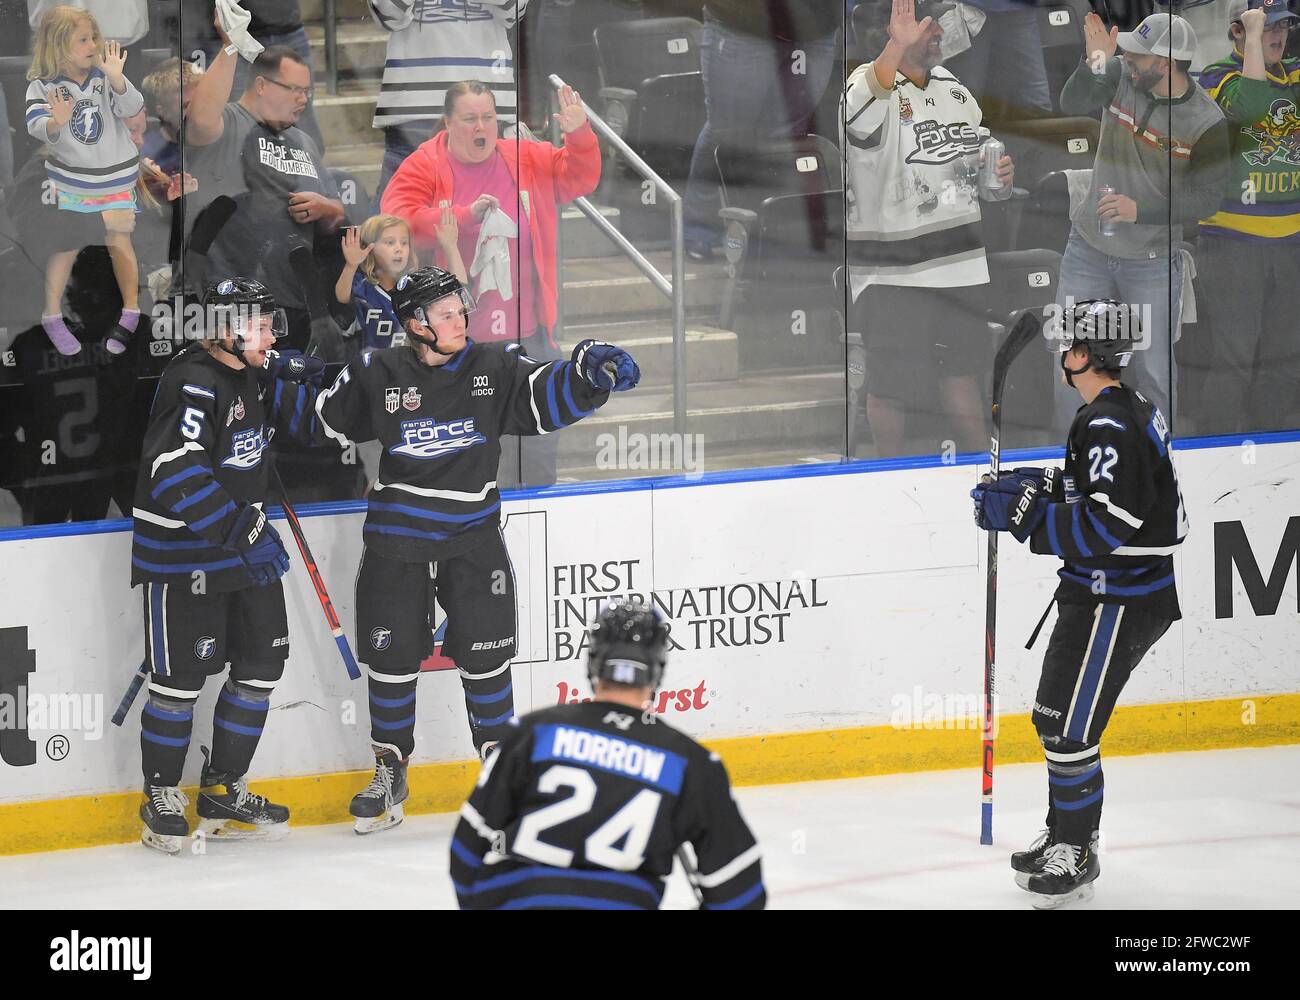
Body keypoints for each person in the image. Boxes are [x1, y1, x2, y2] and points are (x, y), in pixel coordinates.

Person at [311, 265, 640, 834]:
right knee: (391, 664)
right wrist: (295, 382)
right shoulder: (379, 370)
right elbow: (325, 422)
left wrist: (587, 377)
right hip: (396, 543)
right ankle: (391, 769)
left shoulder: (495, 365)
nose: (460, 319)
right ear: (414, 324)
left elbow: (542, 401)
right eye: (445, 314)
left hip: (473, 542)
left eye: (460, 309)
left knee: (486, 660)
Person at [971, 299, 1189, 909]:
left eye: (1070, 344)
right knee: (1055, 719)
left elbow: (1105, 525)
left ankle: (1078, 848)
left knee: (1071, 729)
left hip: (1118, 599)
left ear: (1084, 356)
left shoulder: (1108, 423)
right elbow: (1099, 489)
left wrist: (1025, 521)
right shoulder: (1116, 412)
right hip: (1099, 595)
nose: (1061, 352)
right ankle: (1063, 832)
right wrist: (1037, 485)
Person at [129, 277, 326, 854]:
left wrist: (312, 378)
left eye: (272, 326)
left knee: (262, 666)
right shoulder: (192, 381)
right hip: (185, 557)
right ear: (224, 331)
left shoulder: (250, 372)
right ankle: (160, 794)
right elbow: (173, 470)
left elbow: (305, 427)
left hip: (242, 549)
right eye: (261, 327)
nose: (272, 337)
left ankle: (222, 789)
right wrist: (243, 528)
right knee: (179, 682)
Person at [449, 598, 767, 910]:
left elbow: (466, 848)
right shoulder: (689, 764)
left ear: (594, 662)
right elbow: (740, 893)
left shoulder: (534, 733)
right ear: (657, 670)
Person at [382, 80, 601, 486]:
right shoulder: (425, 164)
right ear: (447, 123)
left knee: (537, 453)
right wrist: (462, 217)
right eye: (469, 119)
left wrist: (579, 134)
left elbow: (578, 178)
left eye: (488, 117)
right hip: (457, 349)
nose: (481, 127)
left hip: (528, 337)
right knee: (467, 462)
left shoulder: (524, 158)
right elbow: (396, 221)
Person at [842, 0, 1015, 457]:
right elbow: (862, 114)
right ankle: (889, 480)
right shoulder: (863, 86)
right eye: (927, 21)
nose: (939, 29)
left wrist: (998, 179)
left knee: (962, 375)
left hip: (960, 267)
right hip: (895, 275)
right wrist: (894, 50)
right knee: (889, 387)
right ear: (892, 30)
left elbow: (981, 166)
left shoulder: (953, 87)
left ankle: (980, 474)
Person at [1052, 10, 1229, 434]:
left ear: (1165, 64)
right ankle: (1070, 451)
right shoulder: (1118, 76)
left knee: (1155, 370)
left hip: (1152, 258)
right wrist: (1095, 59)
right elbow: (1071, 103)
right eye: (1125, 53)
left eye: (1138, 55)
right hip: (1088, 246)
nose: (1127, 59)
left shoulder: (1207, 123)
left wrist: (1140, 211)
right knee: (1073, 358)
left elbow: (1208, 199)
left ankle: (1157, 458)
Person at [183, 28, 347, 351]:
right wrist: (230, 46)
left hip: (296, 309)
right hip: (235, 310)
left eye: (307, 91)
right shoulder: (231, 123)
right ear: (261, 85)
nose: (303, 99)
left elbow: (337, 216)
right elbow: (200, 121)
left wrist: (325, 208)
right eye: (294, 89)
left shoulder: (304, 141)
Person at [1197, 0, 1300, 432]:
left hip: (1291, 243)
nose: (1277, 36)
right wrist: (1253, 40)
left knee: (1287, 357)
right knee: (1234, 360)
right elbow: (1252, 107)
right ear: (1238, 32)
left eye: (1283, 28)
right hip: (1232, 243)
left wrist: (1258, 37)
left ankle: (1272, 453)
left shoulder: (1294, 73)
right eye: (1265, 29)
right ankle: (1214, 451)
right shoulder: (1215, 76)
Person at [25, 5, 145, 357]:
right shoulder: (42, 86)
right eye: (83, 40)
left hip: (116, 178)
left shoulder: (105, 76)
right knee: (66, 247)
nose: (93, 45)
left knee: (120, 242)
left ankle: (131, 311)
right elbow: (37, 128)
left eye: (94, 37)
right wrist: (56, 122)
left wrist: (119, 80)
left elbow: (132, 108)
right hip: (74, 182)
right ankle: (51, 315)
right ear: (58, 45)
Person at [682, 0, 842, 261]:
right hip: (744, 24)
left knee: (786, 139)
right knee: (727, 130)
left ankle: (764, 237)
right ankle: (700, 228)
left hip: (815, 30)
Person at [367, 0, 532, 207]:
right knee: (391, 226)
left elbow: (513, 9)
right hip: (414, 114)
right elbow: (388, 14)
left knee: (488, 229)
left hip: (484, 112)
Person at [334, 211, 464, 353]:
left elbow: (458, 295)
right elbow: (341, 302)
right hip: (374, 371)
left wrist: (451, 247)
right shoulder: (363, 289)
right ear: (369, 249)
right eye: (390, 242)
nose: (399, 249)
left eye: (404, 243)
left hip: (416, 371)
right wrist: (351, 266)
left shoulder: (419, 287)